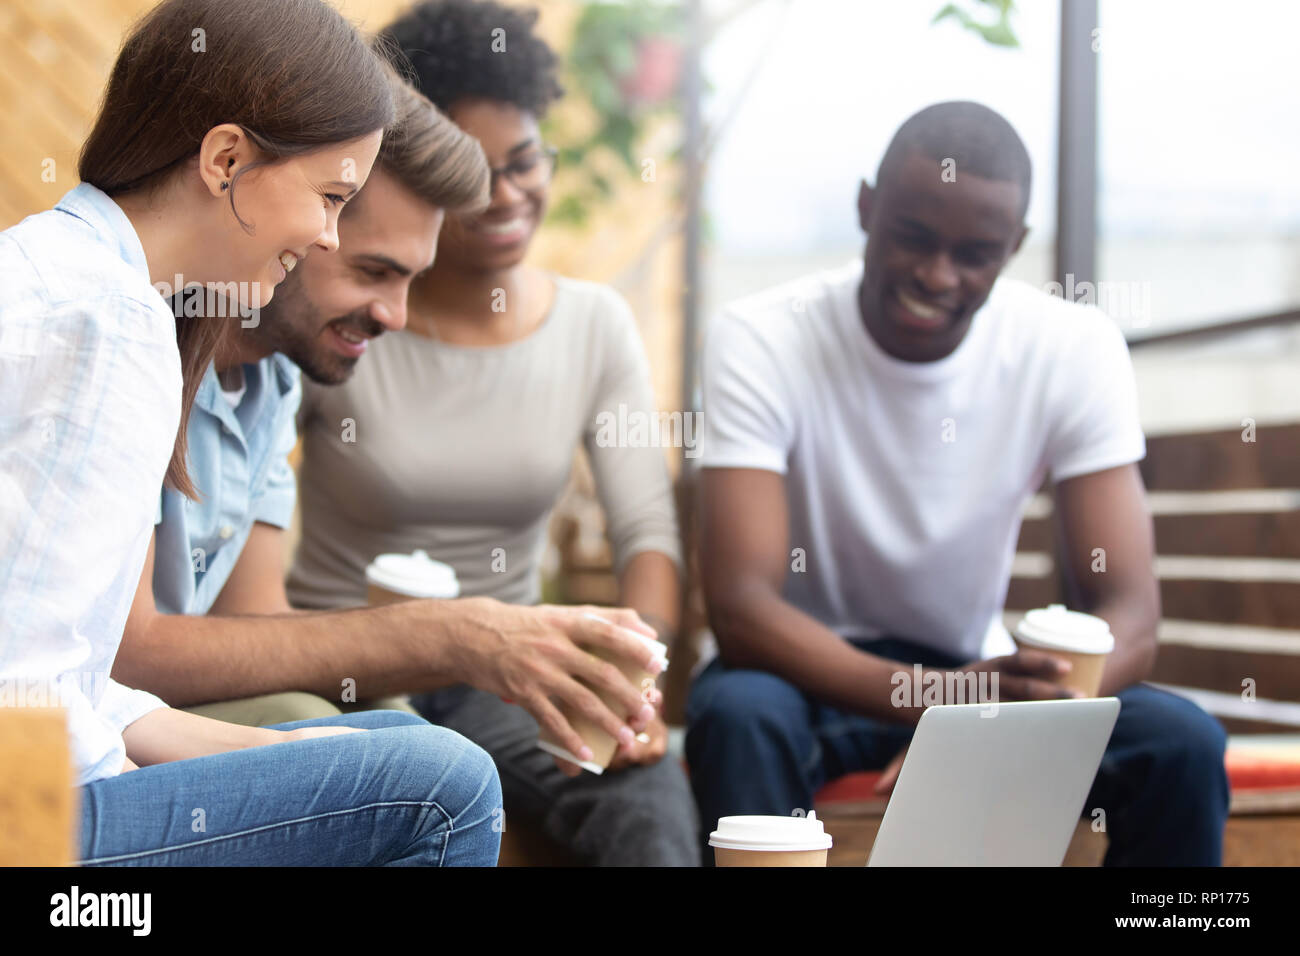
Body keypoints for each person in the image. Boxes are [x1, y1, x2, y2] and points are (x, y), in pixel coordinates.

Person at [0, 0, 499, 866]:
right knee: (443, 786)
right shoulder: (106, 324)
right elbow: (23, 700)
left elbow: (65, 674)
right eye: (332, 198)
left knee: (371, 744)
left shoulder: (72, 278)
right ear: (227, 159)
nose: (327, 237)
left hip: (40, 772)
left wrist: (268, 761)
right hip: (26, 823)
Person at [112, 65, 670, 832]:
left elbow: (249, 626)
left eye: (413, 278)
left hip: (189, 712)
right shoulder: (138, 343)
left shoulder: (271, 378)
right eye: (374, 271)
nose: (398, 316)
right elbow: (130, 651)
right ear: (305, 220)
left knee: (437, 754)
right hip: (85, 740)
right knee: (405, 763)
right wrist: (451, 635)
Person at [687, 101, 1230, 866]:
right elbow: (742, 607)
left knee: (1180, 744)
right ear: (867, 207)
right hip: (809, 673)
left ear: (1016, 246)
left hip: (983, 678)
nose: (937, 275)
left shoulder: (1072, 347)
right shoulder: (763, 336)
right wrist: (946, 704)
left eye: (975, 253)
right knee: (739, 715)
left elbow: (1131, 609)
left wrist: (992, 721)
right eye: (913, 236)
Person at [285, 0, 699, 866]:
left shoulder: (593, 326)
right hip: (340, 673)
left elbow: (646, 533)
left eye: (525, 162)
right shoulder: (345, 316)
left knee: (645, 797)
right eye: (480, 173)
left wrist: (628, 681)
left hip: (505, 674)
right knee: (394, 788)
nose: (510, 196)